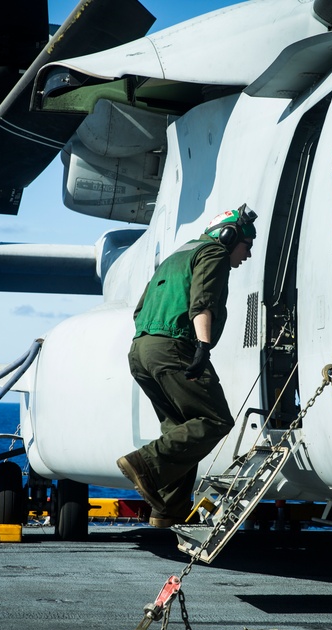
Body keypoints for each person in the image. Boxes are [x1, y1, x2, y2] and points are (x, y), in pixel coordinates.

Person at [117, 204, 257, 528]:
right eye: (246, 246)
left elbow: (139, 310)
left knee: (181, 428)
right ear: (229, 236)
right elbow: (203, 301)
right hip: (173, 348)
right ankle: (146, 465)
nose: (246, 255)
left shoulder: (174, 258)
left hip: (140, 352)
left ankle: (168, 510)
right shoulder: (214, 253)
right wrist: (202, 347)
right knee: (214, 419)